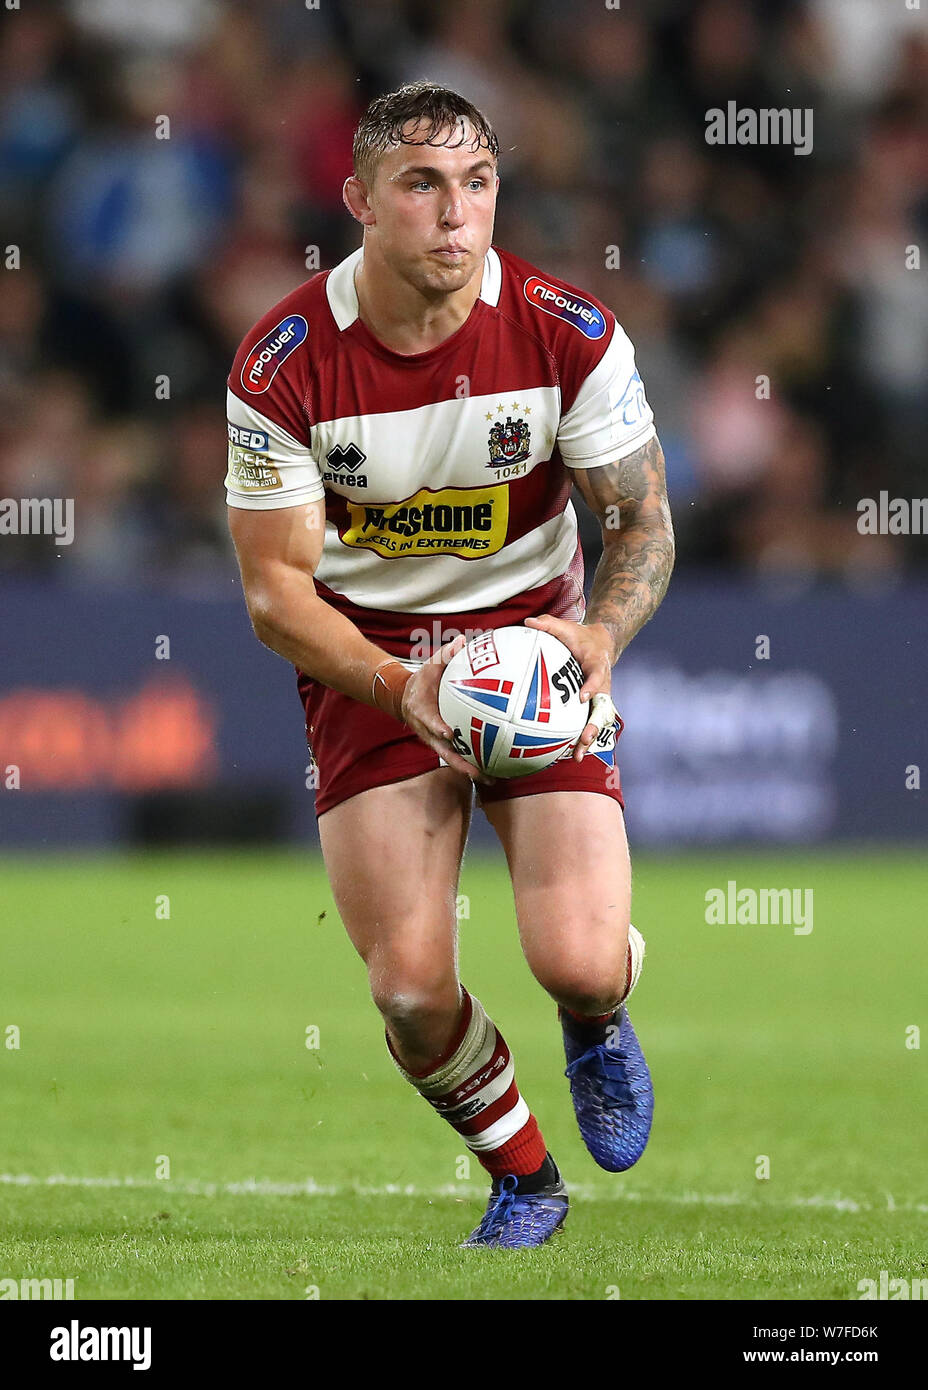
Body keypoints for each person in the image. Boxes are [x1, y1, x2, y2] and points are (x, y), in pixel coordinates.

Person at [226, 81, 674, 1249]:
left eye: (476, 182)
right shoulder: (283, 366)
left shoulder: (564, 331)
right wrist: (399, 686)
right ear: (360, 199)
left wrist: (599, 639)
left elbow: (642, 525)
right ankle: (525, 1178)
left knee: (576, 959)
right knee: (411, 991)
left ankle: (596, 1014)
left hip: (532, 645)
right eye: (421, 184)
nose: (455, 212)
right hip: (368, 661)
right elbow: (276, 593)